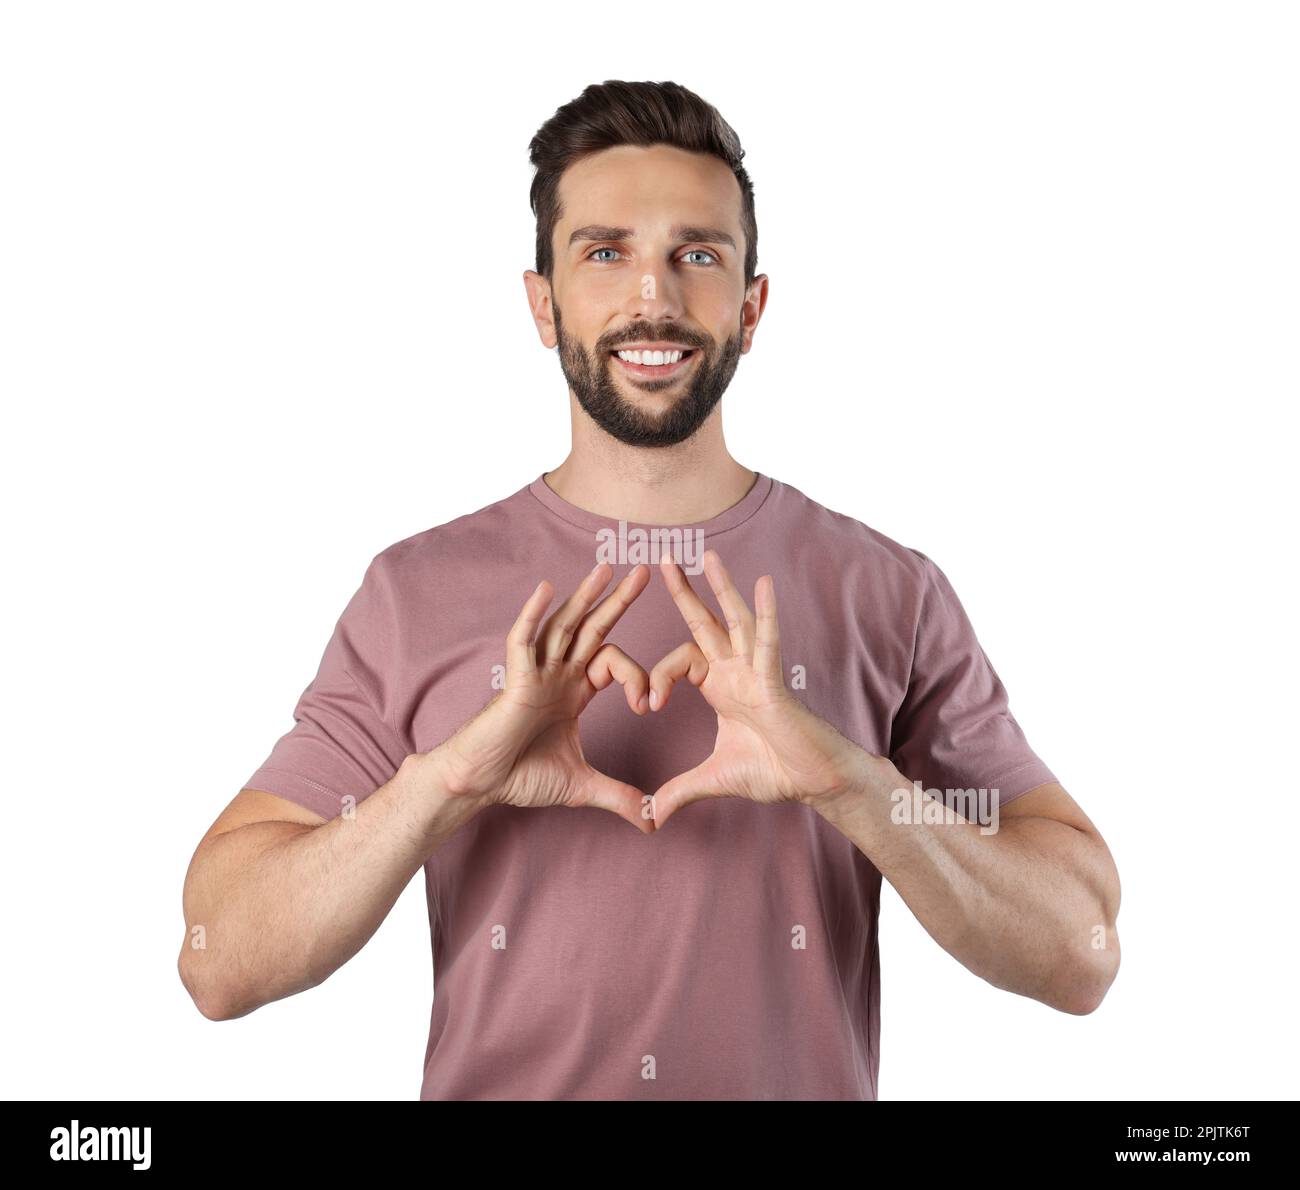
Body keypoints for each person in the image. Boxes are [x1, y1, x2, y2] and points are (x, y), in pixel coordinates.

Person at [178, 79, 1121, 1100]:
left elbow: (1080, 947)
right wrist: (448, 779)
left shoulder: (887, 589)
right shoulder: (413, 591)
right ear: (542, 303)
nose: (653, 297)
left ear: (751, 306)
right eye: (605, 251)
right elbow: (219, 959)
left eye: (697, 255)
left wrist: (846, 780)